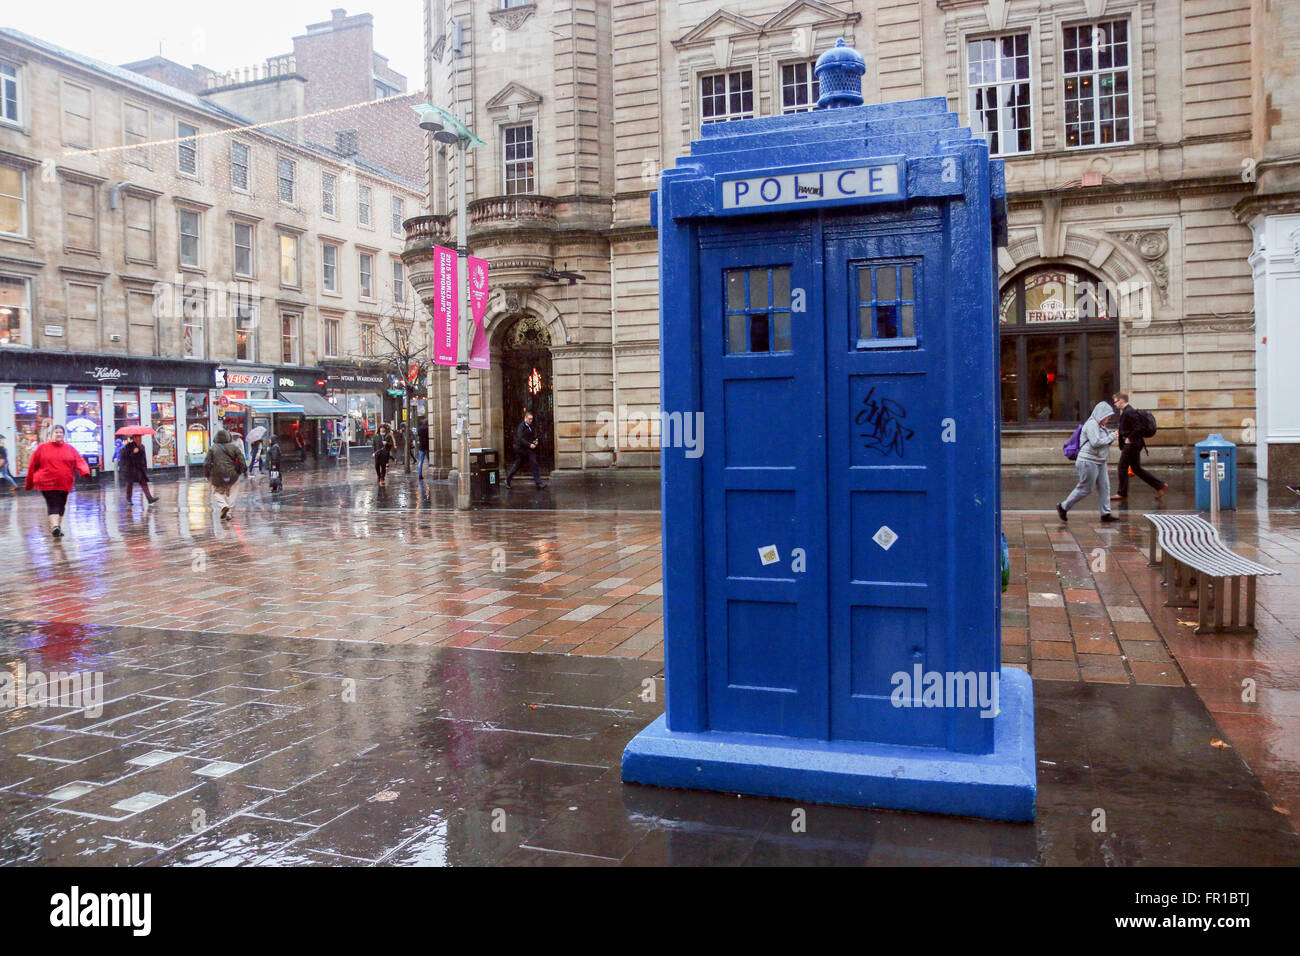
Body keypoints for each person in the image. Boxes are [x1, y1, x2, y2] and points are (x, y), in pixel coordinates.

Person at [1057, 402, 1119, 524]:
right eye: (1107, 417)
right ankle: (1063, 506)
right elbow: (1095, 442)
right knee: (1086, 488)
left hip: (1100, 461)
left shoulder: (1102, 427)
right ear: (1101, 415)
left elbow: (1103, 443)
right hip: (1088, 461)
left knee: (1104, 487)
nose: (1108, 420)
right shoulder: (1092, 424)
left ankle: (1106, 514)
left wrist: (1111, 437)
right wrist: (1111, 437)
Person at [24, 425, 90, 537]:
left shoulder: (70, 449)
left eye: (61, 432)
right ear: (50, 434)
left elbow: (79, 461)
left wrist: (85, 471)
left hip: (64, 482)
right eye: (56, 432)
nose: (59, 434)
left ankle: (57, 527)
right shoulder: (42, 448)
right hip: (46, 482)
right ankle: (54, 526)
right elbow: (32, 465)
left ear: (63, 435)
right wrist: (29, 482)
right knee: (53, 503)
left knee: (61, 504)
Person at [1110, 392, 1168, 503]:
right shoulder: (1127, 412)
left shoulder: (1129, 412)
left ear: (1121, 401)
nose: (1115, 404)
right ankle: (1160, 485)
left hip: (1132, 445)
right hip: (1135, 444)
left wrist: (1129, 438)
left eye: (1116, 402)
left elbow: (1139, 428)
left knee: (1122, 467)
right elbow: (1131, 427)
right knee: (1136, 469)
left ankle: (1122, 493)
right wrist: (1120, 432)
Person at [203, 428, 247, 521]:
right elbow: (242, 461)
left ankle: (224, 506)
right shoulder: (234, 448)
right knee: (233, 492)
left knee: (217, 492)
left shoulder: (212, 448)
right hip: (232, 475)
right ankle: (229, 511)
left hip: (218, 476)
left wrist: (207, 475)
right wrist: (240, 471)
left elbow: (206, 463)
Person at [504, 410, 544, 489]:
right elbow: (520, 438)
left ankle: (538, 483)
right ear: (525, 418)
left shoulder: (531, 426)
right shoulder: (521, 426)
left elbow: (533, 436)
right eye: (529, 419)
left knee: (534, 463)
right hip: (522, 450)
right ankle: (507, 480)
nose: (530, 421)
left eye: (531, 419)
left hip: (529, 450)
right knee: (518, 465)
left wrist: (535, 441)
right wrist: (530, 445)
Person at [119, 435, 159, 505]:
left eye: (140, 437)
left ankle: (149, 498)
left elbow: (143, 458)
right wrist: (133, 453)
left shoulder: (142, 446)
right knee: (130, 484)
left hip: (139, 469)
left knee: (143, 483)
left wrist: (144, 467)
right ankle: (129, 499)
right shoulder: (129, 446)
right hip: (131, 469)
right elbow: (126, 457)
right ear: (134, 438)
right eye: (138, 437)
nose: (140, 439)